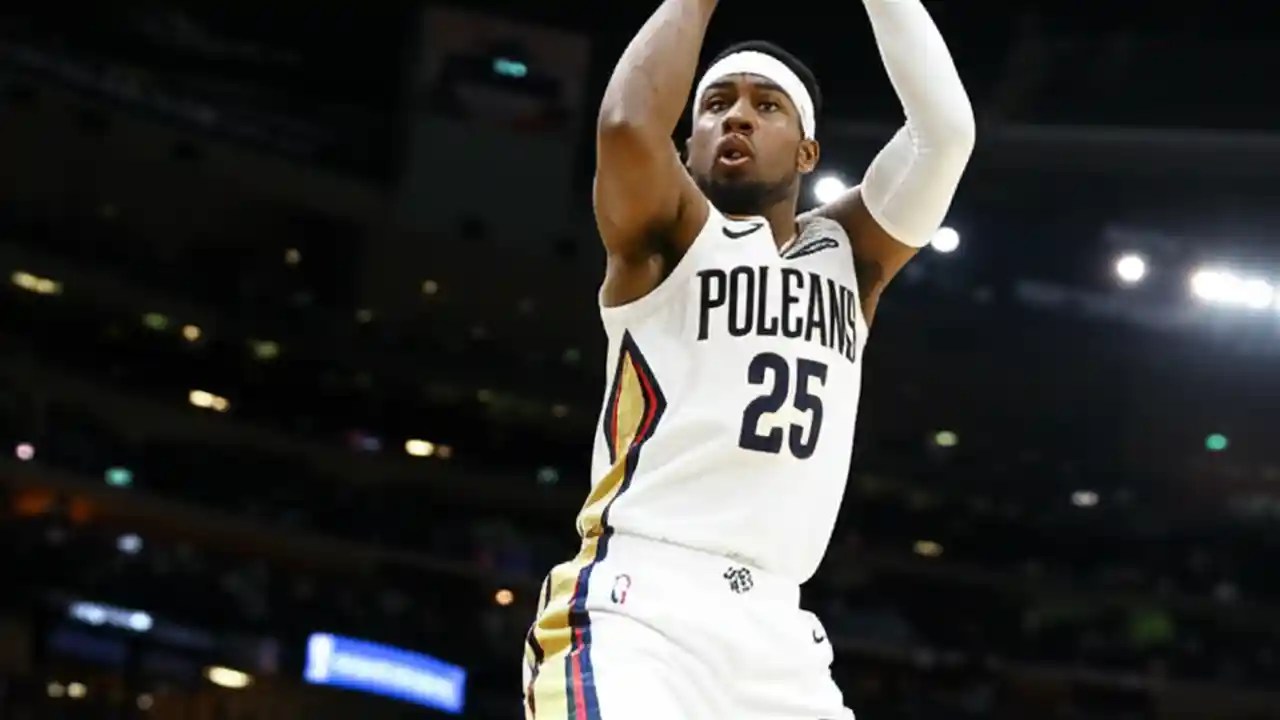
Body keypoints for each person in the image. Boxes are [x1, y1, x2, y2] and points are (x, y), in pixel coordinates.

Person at [524, 0, 974, 717]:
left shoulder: (850, 254)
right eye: (715, 105)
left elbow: (944, 137)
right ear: (687, 146)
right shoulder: (667, 233)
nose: (736, 118)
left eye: (767, 106)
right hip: (640, 606)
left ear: (807, 153)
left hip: (778, 634)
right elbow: (627, 125)